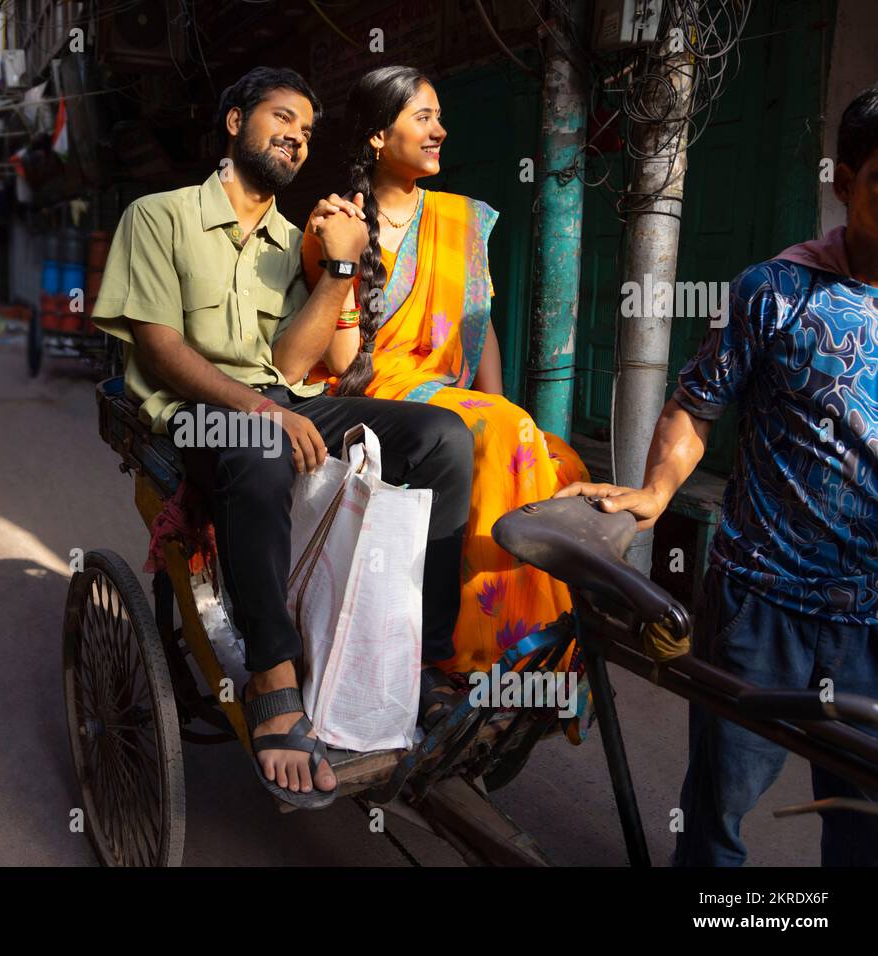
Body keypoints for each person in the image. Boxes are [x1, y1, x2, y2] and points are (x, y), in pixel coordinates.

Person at [91, 67, 475, 809]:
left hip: (284, 403)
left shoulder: (292, 240)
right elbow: (162, 348)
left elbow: (306, 364)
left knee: (443, 438)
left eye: (306, 130)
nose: (295, 137)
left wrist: (336, 263)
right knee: (260, 444)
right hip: (194, 412)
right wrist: (262, 411)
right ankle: (274, 675)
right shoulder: (158, 215)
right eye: (281, 118)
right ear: (235, 122)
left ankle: (424, 663)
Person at [557, 84, 878, 866]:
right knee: (716, 816)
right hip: (761, 606)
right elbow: (698, 407)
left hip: (873, 623)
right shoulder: (776, 290)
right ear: (846, 184)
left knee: (864, 822)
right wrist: (657, 489)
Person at [300, 66, 591, 733]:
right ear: (377, 137)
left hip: (449, 395)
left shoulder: (463, 219)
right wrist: (495, 423)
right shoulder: (337, 223)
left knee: (547, 454)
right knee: (502, 433)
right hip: (370, 392)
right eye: (423, 117)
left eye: (438, 117)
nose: (441, 130)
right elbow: (345, 365)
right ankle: (479, 657)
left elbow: (475, 331)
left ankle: (534, 653)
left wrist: (502, 415)